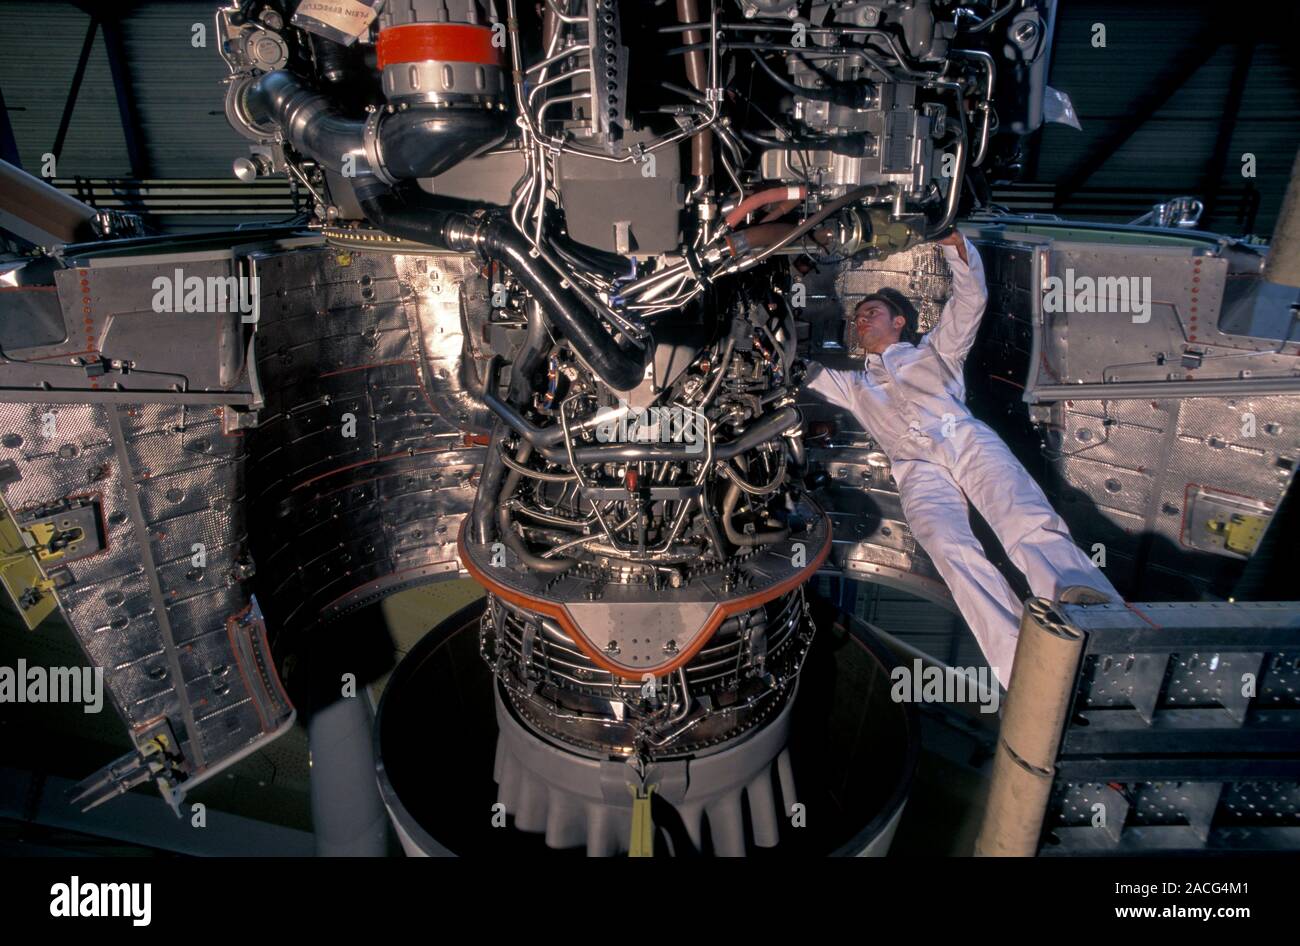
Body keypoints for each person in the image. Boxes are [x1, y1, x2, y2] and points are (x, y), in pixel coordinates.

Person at [801, 230, 1119, 687]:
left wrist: (954, 244)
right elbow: (806, 373)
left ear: (900, 324)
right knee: (949, 551)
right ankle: (1024, 669)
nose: (862, 321)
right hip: (917, 470)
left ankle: (1096, 621)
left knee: (1023, 519)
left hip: (965, 442)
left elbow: (971, 298)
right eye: (858, 319)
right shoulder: (856, 385)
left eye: (873, 313)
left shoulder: (937, 350)